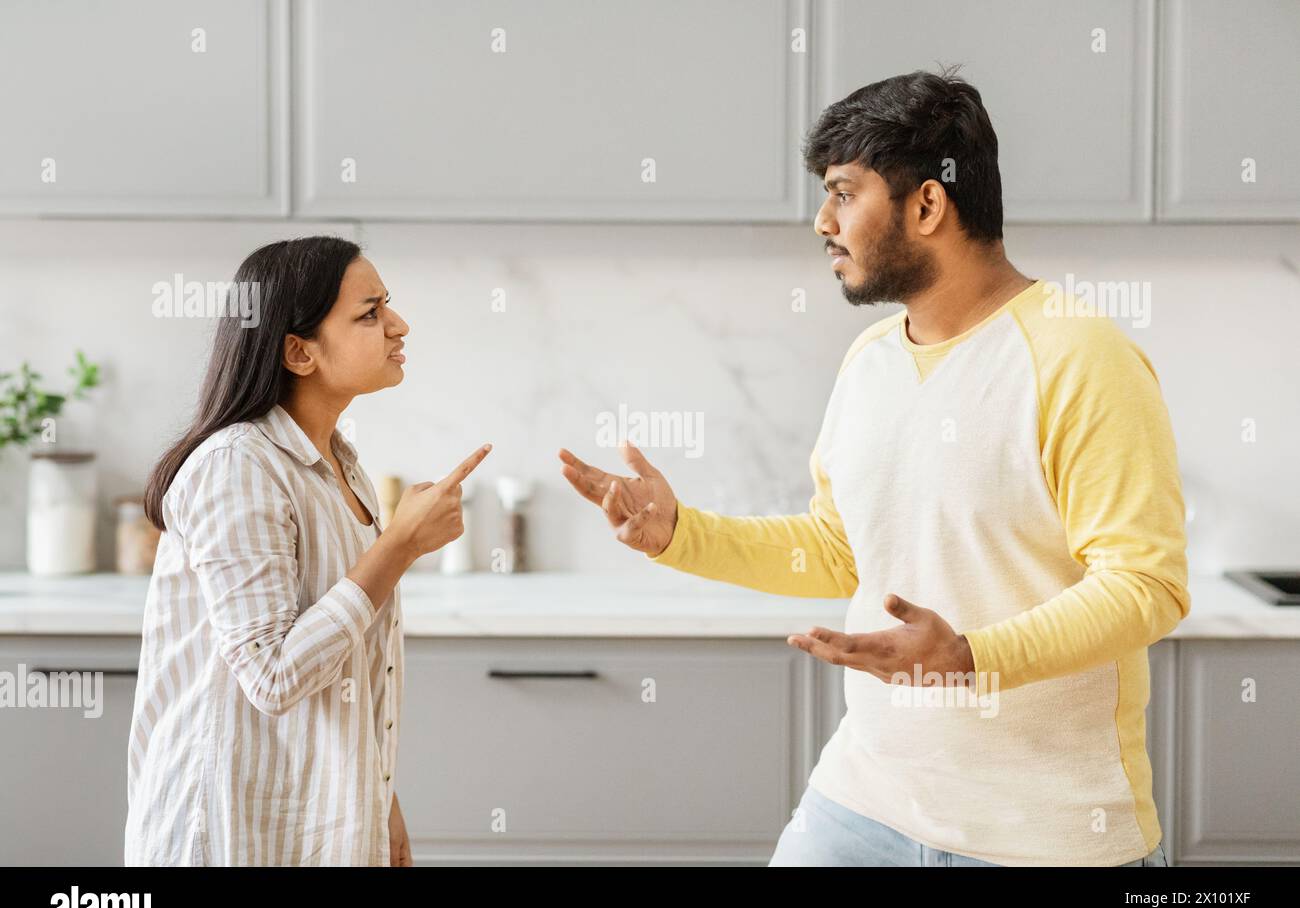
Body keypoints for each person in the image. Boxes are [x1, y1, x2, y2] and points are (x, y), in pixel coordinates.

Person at [559, 69, 1189, 867]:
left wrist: (969, 656)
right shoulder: (869, 362)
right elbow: (837, 549)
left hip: (1045, 836)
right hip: (862, 806)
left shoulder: (1079, 356)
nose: (823, 221)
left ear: (928, 204)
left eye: (844, 193)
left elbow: (1147, 585)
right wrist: (680, 534)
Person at [128, 236, 490, 865]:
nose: (398, 325)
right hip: (223, 830)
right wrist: (399, 546)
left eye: (387, 307)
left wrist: (380, 802)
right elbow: (273, 677)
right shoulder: (237, 465)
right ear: (299, 351)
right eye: (370, 313)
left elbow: (345, 671)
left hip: (317, 823)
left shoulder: (342, 469)